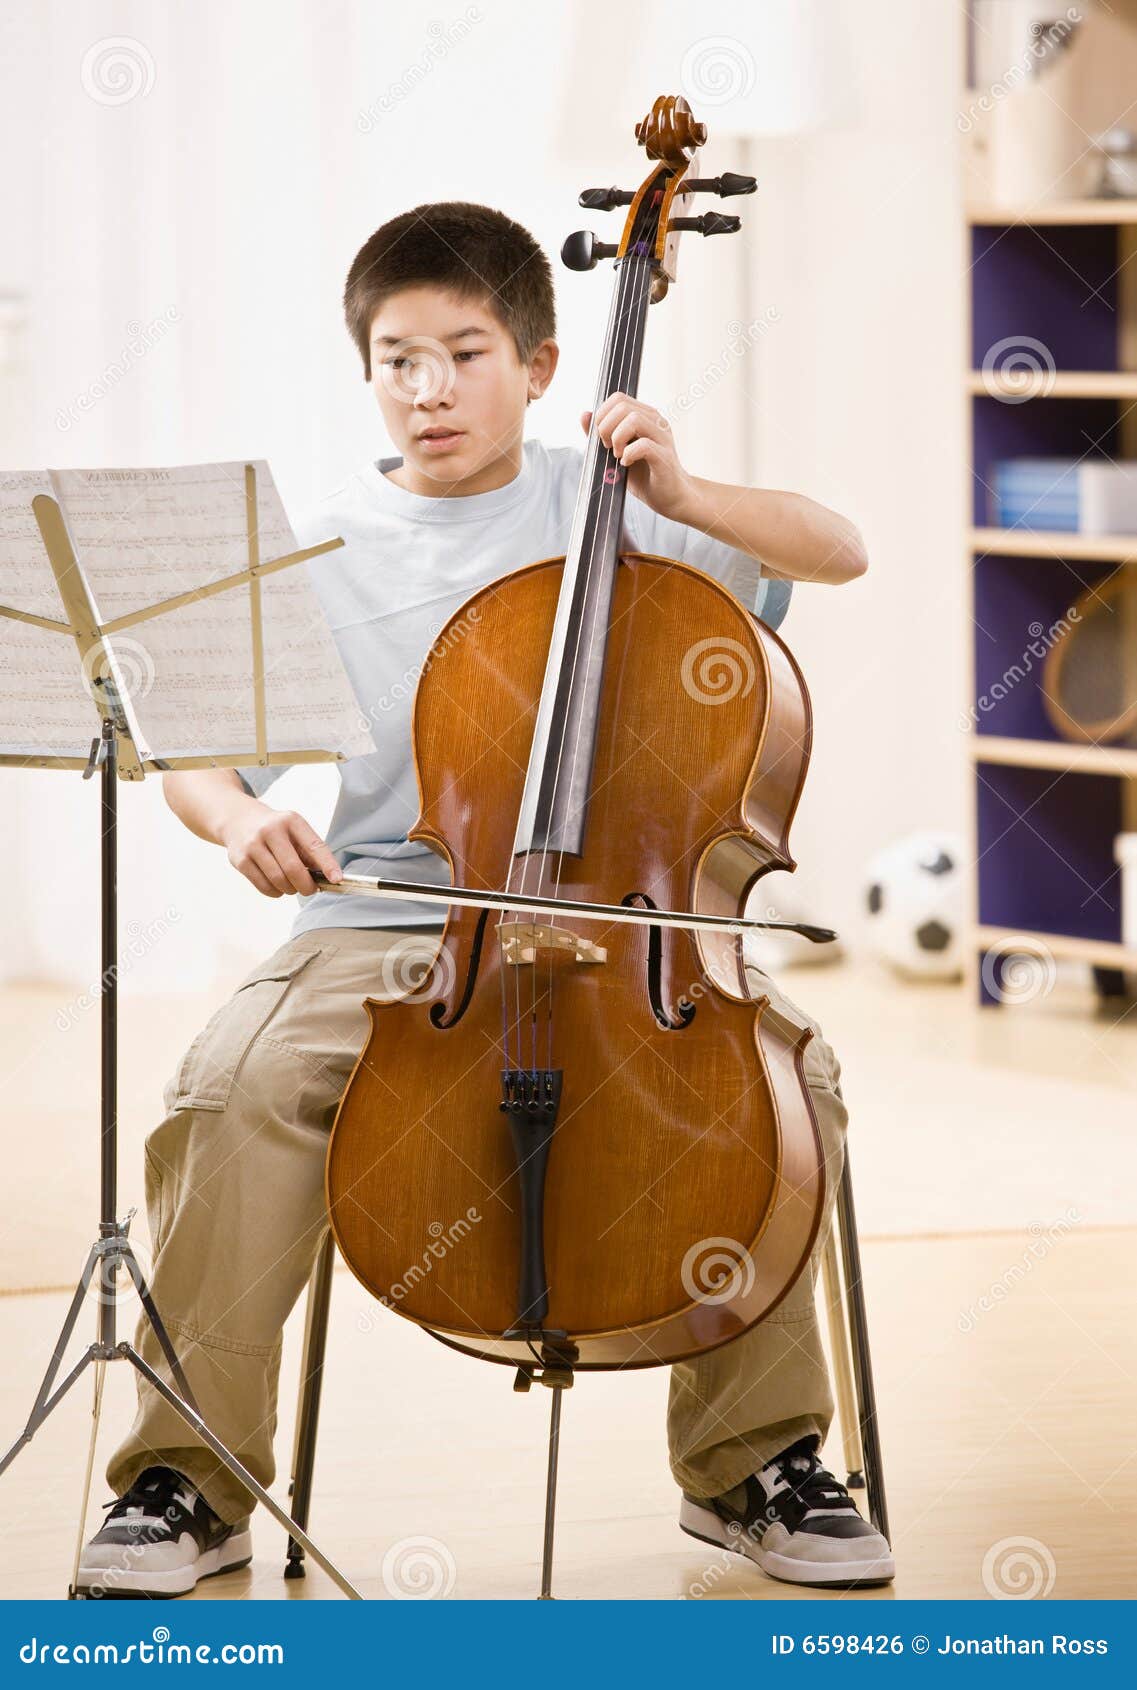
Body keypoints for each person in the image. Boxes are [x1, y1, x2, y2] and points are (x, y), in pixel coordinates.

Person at [78, 202, 893, 1598]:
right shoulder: (316, 552)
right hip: (388, 921)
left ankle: (755, 1460)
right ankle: (188, 1477)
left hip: (618, 929)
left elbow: (836, 547)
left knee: (776, 1078)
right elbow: (197, 757)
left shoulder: (620, 506)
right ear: (368, 376)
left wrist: (687, 495)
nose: (429, 387)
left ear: (540, 361)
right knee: (233, 1085)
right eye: (397, 358)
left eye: (463, 352)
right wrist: (238, 816)